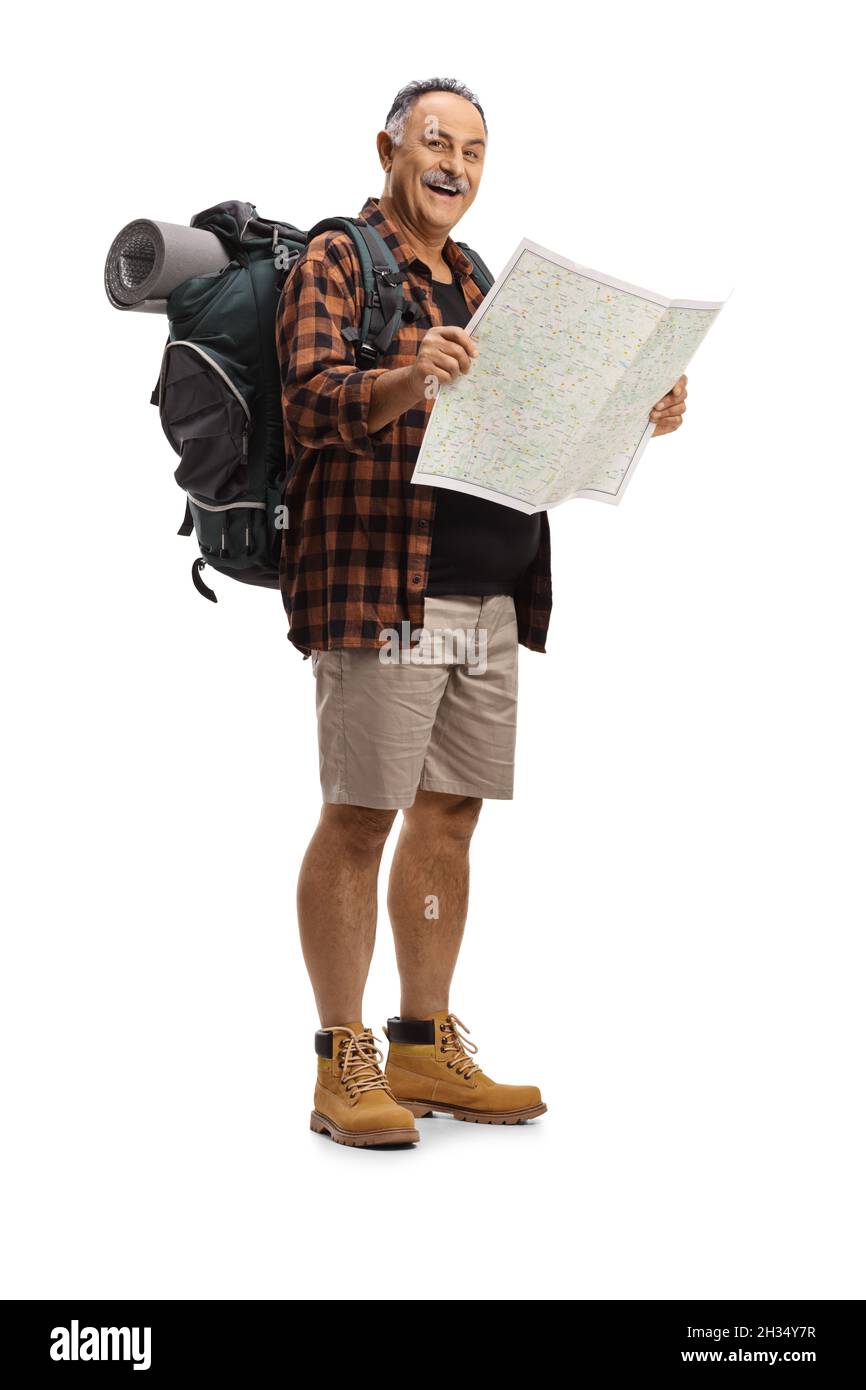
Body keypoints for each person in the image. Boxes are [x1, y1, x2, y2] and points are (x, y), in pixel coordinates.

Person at [276, 77, 688, 1148]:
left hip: (489, 588)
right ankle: (341, 1060)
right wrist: (407, 373)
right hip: (381, 588)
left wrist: (634, 411)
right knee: (361, 817)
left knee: (448, 816)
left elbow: (527, 422)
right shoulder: (336, 261)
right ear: (387, 148)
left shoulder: (475, 278)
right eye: (434, 141)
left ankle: (419, 1043)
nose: (454, 162)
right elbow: (310, 402)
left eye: (472, 147)